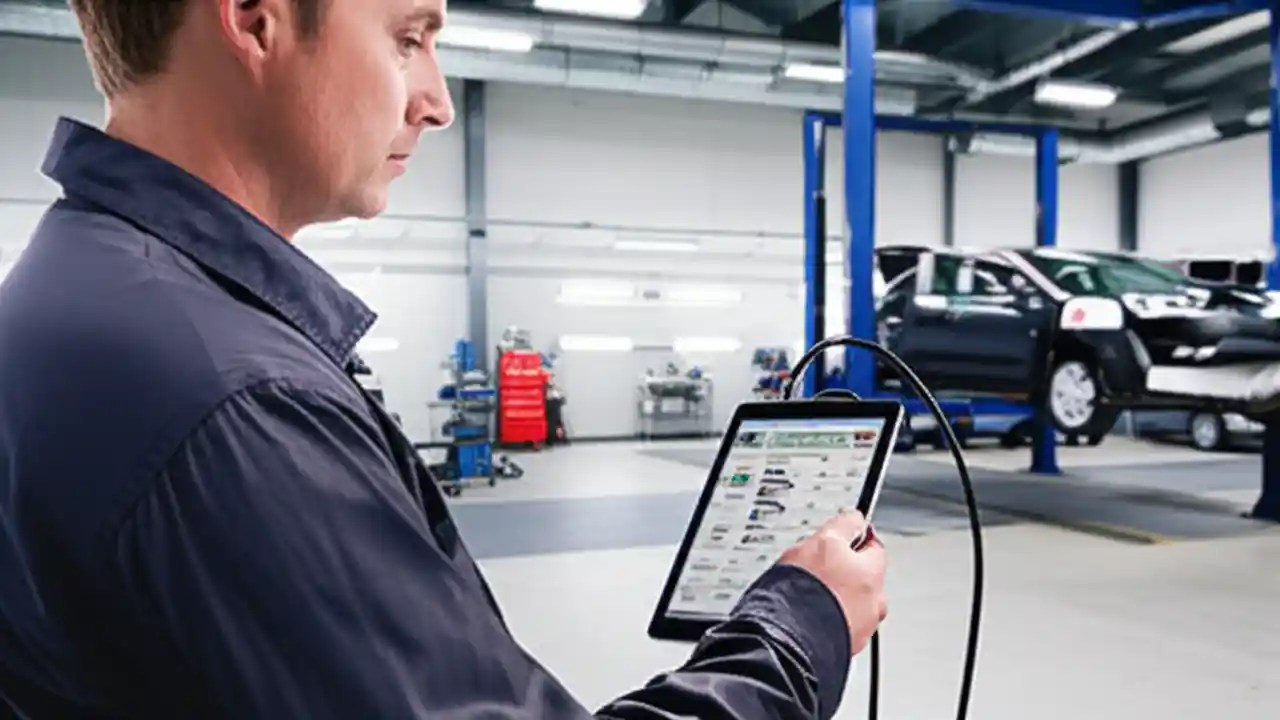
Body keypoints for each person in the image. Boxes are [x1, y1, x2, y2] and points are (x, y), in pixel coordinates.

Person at [0, 0, 889, 717]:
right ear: (255, 18)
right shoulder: (234, 401)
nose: (437, 100)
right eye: (408, 38)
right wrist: (794, 630)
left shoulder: (69, 294)